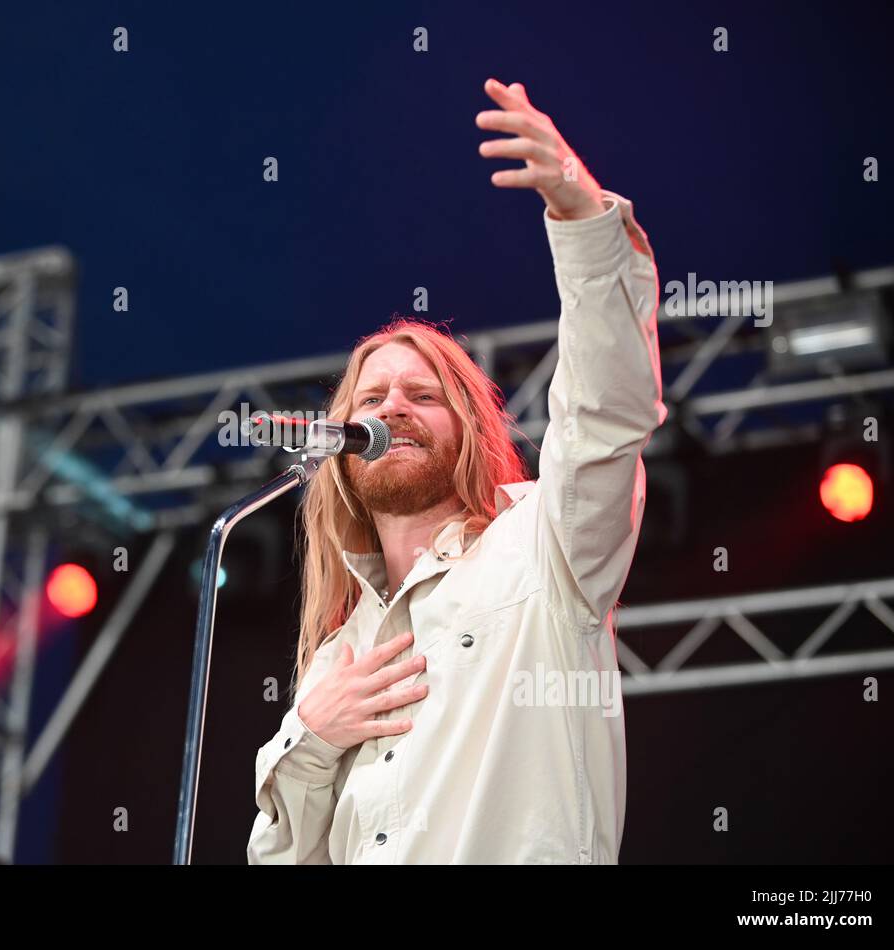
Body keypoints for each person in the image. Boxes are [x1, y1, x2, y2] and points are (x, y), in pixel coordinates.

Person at [246, 78, 665, 864]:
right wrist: (309, 736)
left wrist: (582, 221)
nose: (393, 406)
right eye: (372, 396)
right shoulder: (338, 659)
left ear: (468, 428)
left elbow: (605, 416)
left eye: (421, 394)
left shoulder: (544, 551)